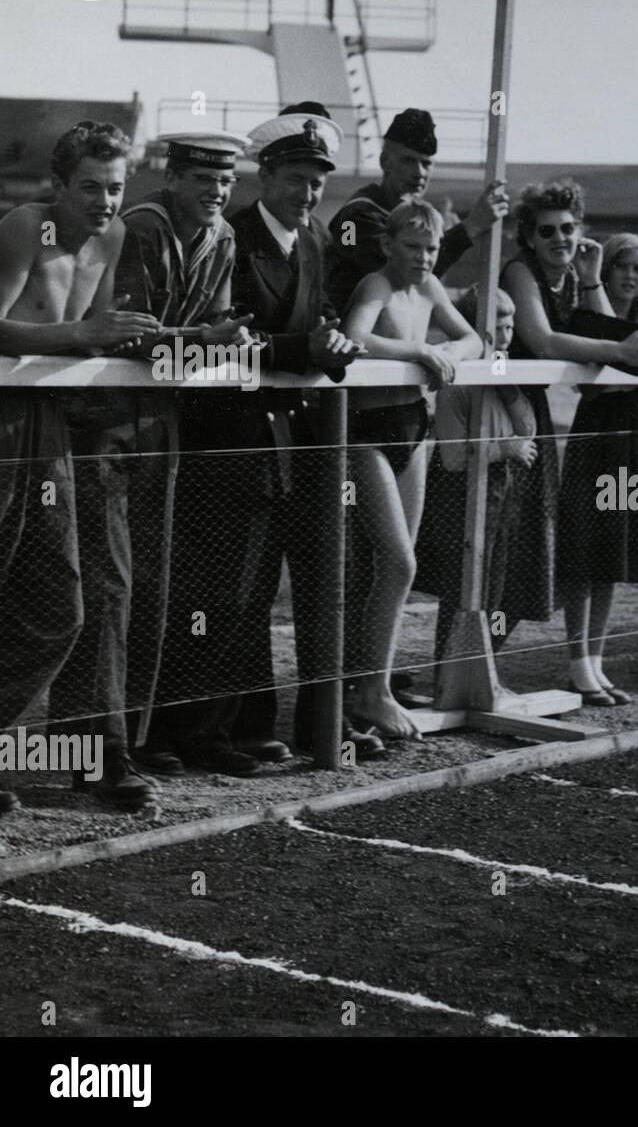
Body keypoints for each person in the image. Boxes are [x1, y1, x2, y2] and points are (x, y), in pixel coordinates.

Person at [151, 104, 370, 776]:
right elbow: (229, 341)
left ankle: (248, 721)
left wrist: (329, 341)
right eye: (298, 179)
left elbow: (318, 317)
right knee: (222, 592)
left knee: (261, 590)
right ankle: (194, 727)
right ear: (266, 175)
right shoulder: (233, 237)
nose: (309, 195)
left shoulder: (312, 242)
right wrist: (297, 346)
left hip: (290, 439)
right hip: (230, 435)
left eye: (317, 182)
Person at [0, 121, 163, 811]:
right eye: (91, 187)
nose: (104, 200)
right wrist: (79, 333)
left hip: (47, 428)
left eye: (116, 187)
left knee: (58, 608)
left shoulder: (114, 236)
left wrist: (186, 341)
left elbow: (94, 342)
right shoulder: (23, 227)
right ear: (60, 185)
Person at [91, 131, 258, 782]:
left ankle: (134, 738)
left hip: (164, 423)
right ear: (174, 178)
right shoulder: (141, 227)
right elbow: (132, 338)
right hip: (106, 419)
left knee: (155, 588)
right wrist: (207, 340)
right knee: (109, 590)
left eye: (224, 182)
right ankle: (92, 747)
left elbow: (200, 342)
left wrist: (221, 341)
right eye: (202, 180)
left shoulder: (222, 239)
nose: (215, 193)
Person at [499, 179, 638, 702]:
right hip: (500, 413)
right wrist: (619, 352)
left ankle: (579, 665)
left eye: (568, 229)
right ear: (529, 235)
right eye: (547, 231)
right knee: (501, 549)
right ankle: (463, 669)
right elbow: (545, 340)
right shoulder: (521, 272)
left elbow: (613, 342)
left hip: (535, 413)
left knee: (532, 552)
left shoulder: (571, 277)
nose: (559, 238)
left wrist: (592, 281)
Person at [340, 199, 482, 737]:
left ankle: (372, 687)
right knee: (396, 563)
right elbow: (355, 338)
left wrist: (449, 353)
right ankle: (369, 690)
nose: (423, 258)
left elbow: (474, 338)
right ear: (387, 245)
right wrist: (420, 351)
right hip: (369, 434)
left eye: (431, 249)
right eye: (412, 247)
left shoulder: (429, 289)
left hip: (413, 431)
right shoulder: (376, 285)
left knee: (400, 570)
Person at [551, 232, 638, 704]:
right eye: (621, 266)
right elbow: (597, 385)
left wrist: (614, 358)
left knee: (612, 559)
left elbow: (626, 366)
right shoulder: (587, 311)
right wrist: (591, 283)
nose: (629, 276)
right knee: (583, 556)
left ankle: (596, 665)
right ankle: (578, 664)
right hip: (595, 436)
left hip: (633, 437)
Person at [414, 286, 537, 689]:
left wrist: (507, 388)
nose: (505, 335)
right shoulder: (459, 381)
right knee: (463, 588)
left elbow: (528, 431)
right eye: (495, 326)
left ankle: (483, 670)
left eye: (510, 324)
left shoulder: (504, 374)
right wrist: (504, 448)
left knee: (498, 587)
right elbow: (451, 457)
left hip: (503, 490)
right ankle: (446, 677)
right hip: (462, 495)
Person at [327, 108, 508, 308]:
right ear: (384, 161)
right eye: (408, 160)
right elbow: (404, 274)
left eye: (426, 163)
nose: (419, 172)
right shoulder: (354, 218)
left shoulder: (410, 215)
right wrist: (471, 226)